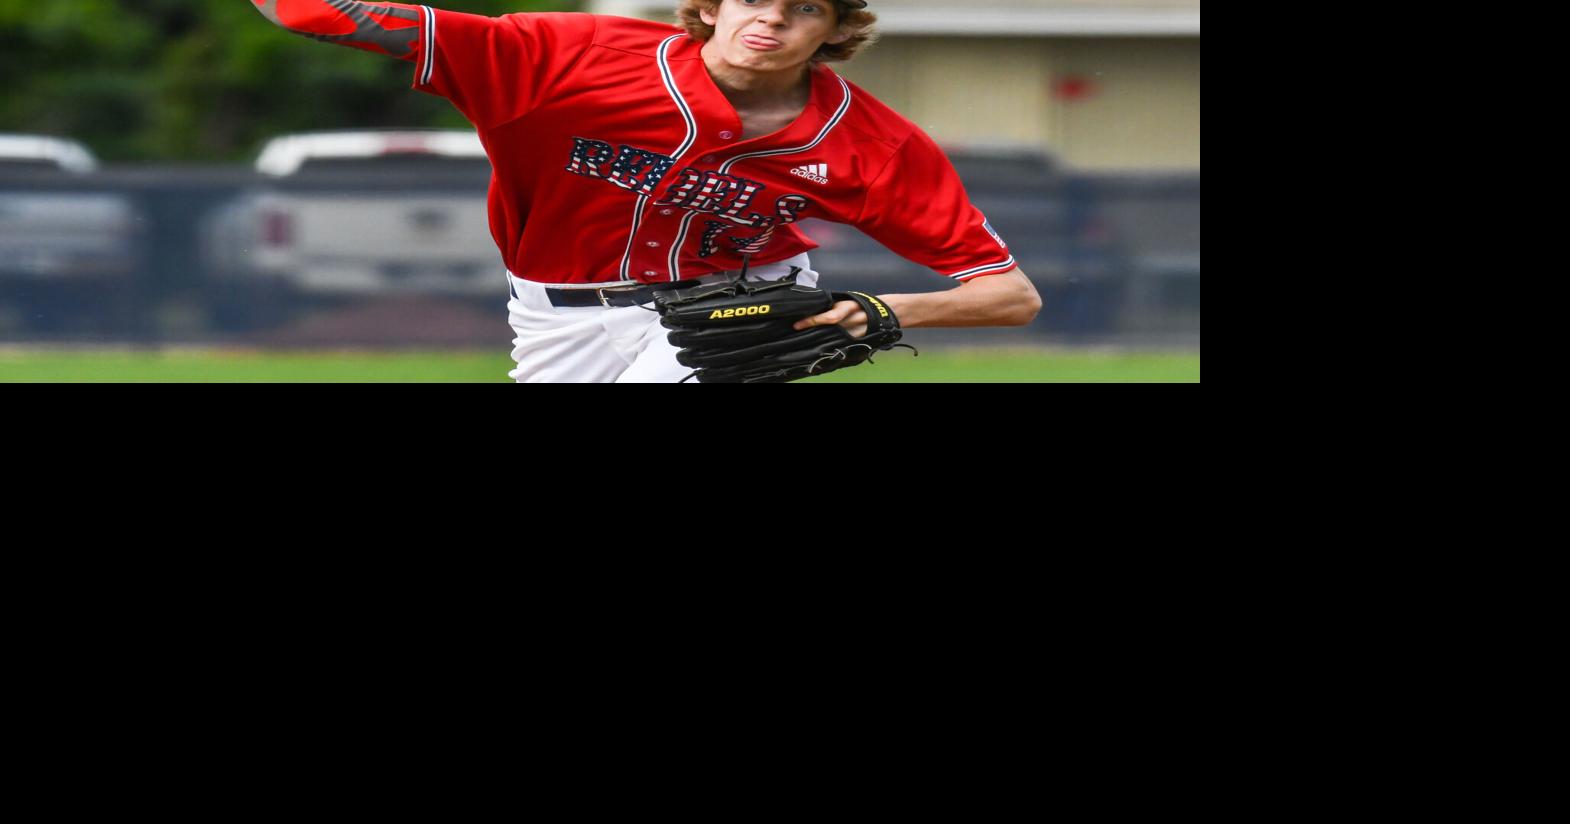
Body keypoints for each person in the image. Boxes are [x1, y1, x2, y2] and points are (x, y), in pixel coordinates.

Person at [249, 0, 1042, 382]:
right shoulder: (568, 56)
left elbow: (1011, 296)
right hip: (556, 318)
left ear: (835, 29)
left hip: (733, 314)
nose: (769, 21)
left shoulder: (869, 142)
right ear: (709, 6)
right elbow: (323, 12)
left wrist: (889, 309)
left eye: (802, 9)